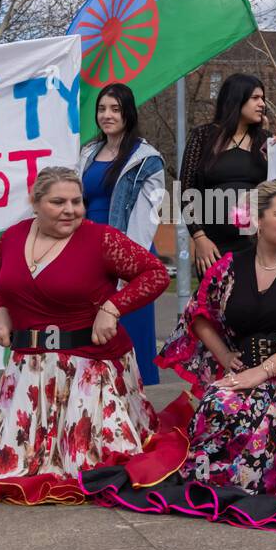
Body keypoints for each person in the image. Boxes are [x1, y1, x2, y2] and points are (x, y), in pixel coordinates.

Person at [81, 179, 276, 529]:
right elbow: (197, 315)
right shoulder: (228, 267)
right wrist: (224, 356)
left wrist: (262, 372)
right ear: (257, 221)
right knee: (219, 405)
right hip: (244, 371)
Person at [0, 167, 187, 509]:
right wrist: (0, 313)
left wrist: (113, 308)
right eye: (58, 202)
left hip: (90, 366)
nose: (70, 210)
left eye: (77, 201)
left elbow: (155, 274)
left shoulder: (101, 238)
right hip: (28, 366)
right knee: (9, 463)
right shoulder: (13, 237)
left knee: (87, 462)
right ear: (35, 203)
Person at [78, 83, 166, 386]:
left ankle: (135, 419)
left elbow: (147, 217)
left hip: (129, 256)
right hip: (88, 255)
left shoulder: (148, 159)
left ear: (128, 112)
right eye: (102, 109)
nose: (107, 115)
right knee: (93, 342)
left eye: (115, 109)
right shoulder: (88, 152)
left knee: (128, 341)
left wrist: (128, 266)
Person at [179, 73, 272, 278]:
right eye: (255, 98)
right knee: (215, 307)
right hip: (213, 246)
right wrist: (199, 237)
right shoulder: (203, 136)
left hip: (256, 245)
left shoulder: (265, 139)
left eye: (263, 99)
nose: (262, 104)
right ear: (237, 98)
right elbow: (186, 192)